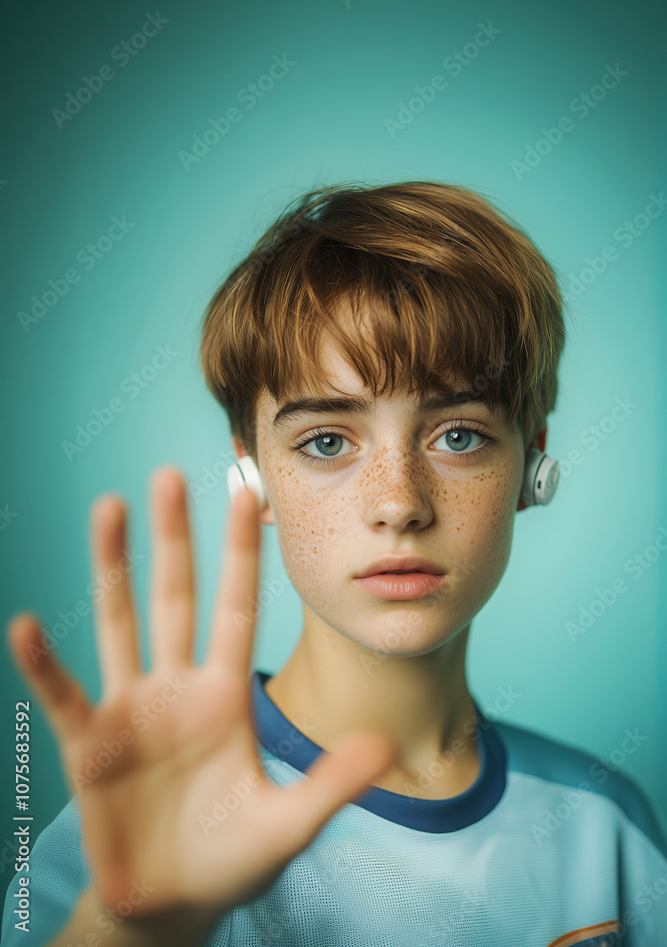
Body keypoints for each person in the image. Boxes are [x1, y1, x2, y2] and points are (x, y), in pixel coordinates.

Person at [3, 181, 666, 946]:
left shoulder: (605, 826)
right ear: (252, 476)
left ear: (532, 464)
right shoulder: (141, 826)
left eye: (457, 434)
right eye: (326, 441)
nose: (398, 504)